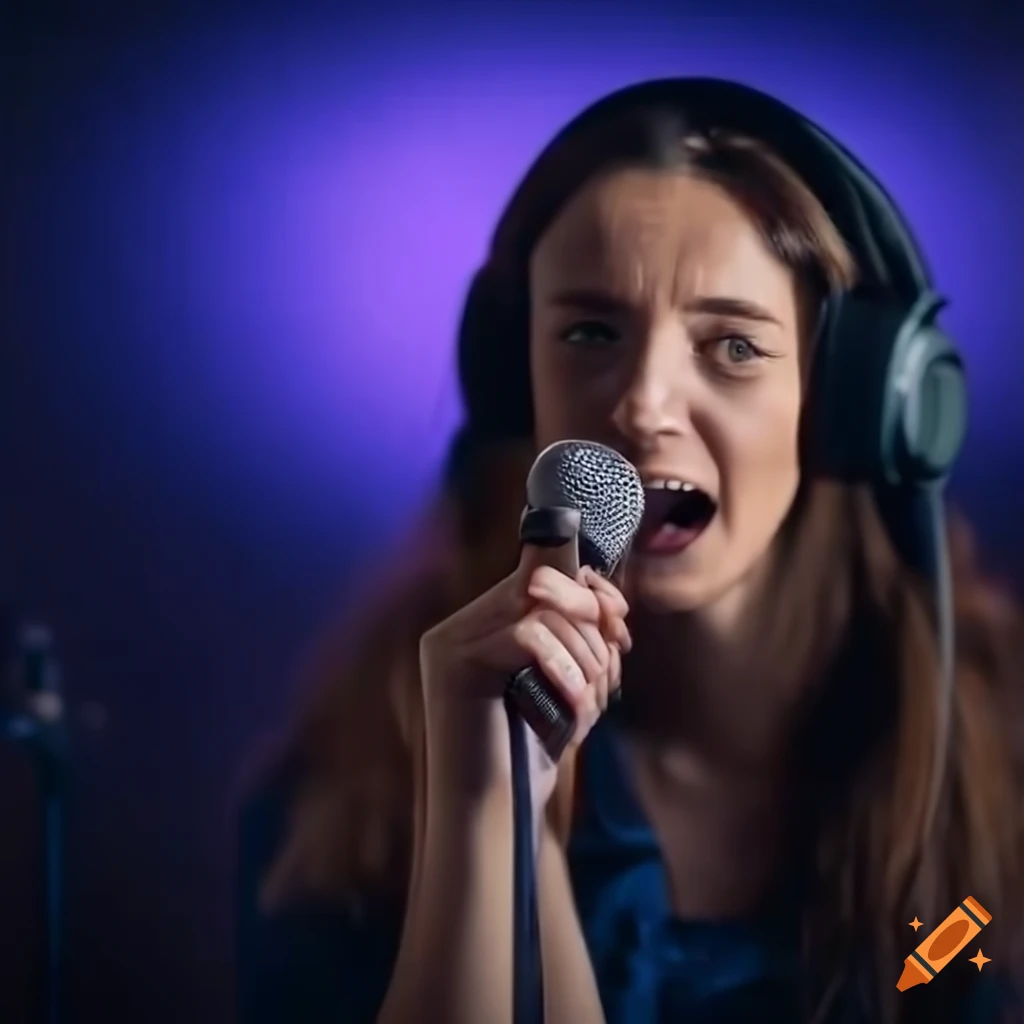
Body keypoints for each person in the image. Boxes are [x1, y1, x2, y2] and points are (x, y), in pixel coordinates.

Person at [236, 79, 1024, 1023]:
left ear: (851, 400)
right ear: (514, 377)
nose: (643, 405)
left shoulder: (999, 758)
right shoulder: (360, 779)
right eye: (590, 332)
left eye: (733, 346)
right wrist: (493, 822)